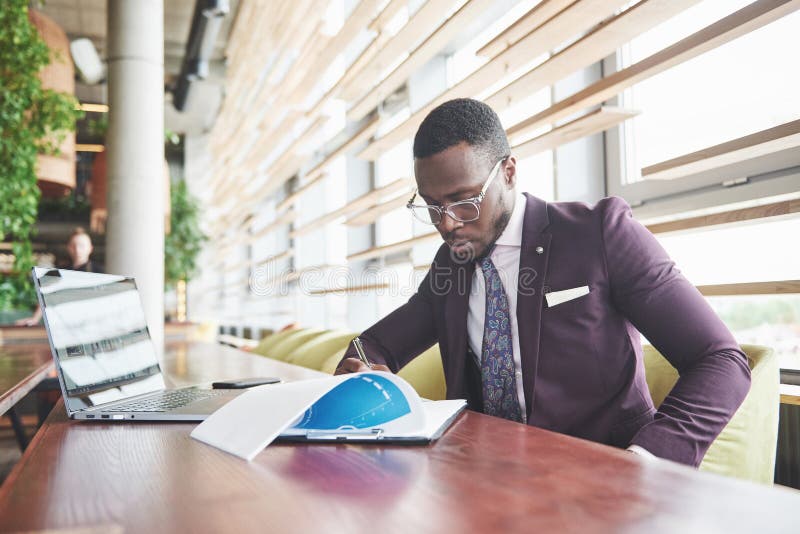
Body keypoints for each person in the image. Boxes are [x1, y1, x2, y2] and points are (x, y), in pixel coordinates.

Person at [336, 98, 750, 467]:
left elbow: (720, 360)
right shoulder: (451, 265)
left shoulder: (599, 233)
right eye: (431, 206)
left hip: (602, 481)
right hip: (487, 481)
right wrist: (368, 376)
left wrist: (643, 463)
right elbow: (371, 346)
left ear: (509, 173)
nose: (446, 224)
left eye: (464, 202)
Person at [15, 227, 102, 326]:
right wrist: (35, 318)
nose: (77, 249)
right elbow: (47, 294)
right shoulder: (61, 271)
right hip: (65, 322)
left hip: (90, 322)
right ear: (69, 248)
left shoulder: (99, 272)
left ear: (90, 248)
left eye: (82, 246)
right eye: (74, 246)